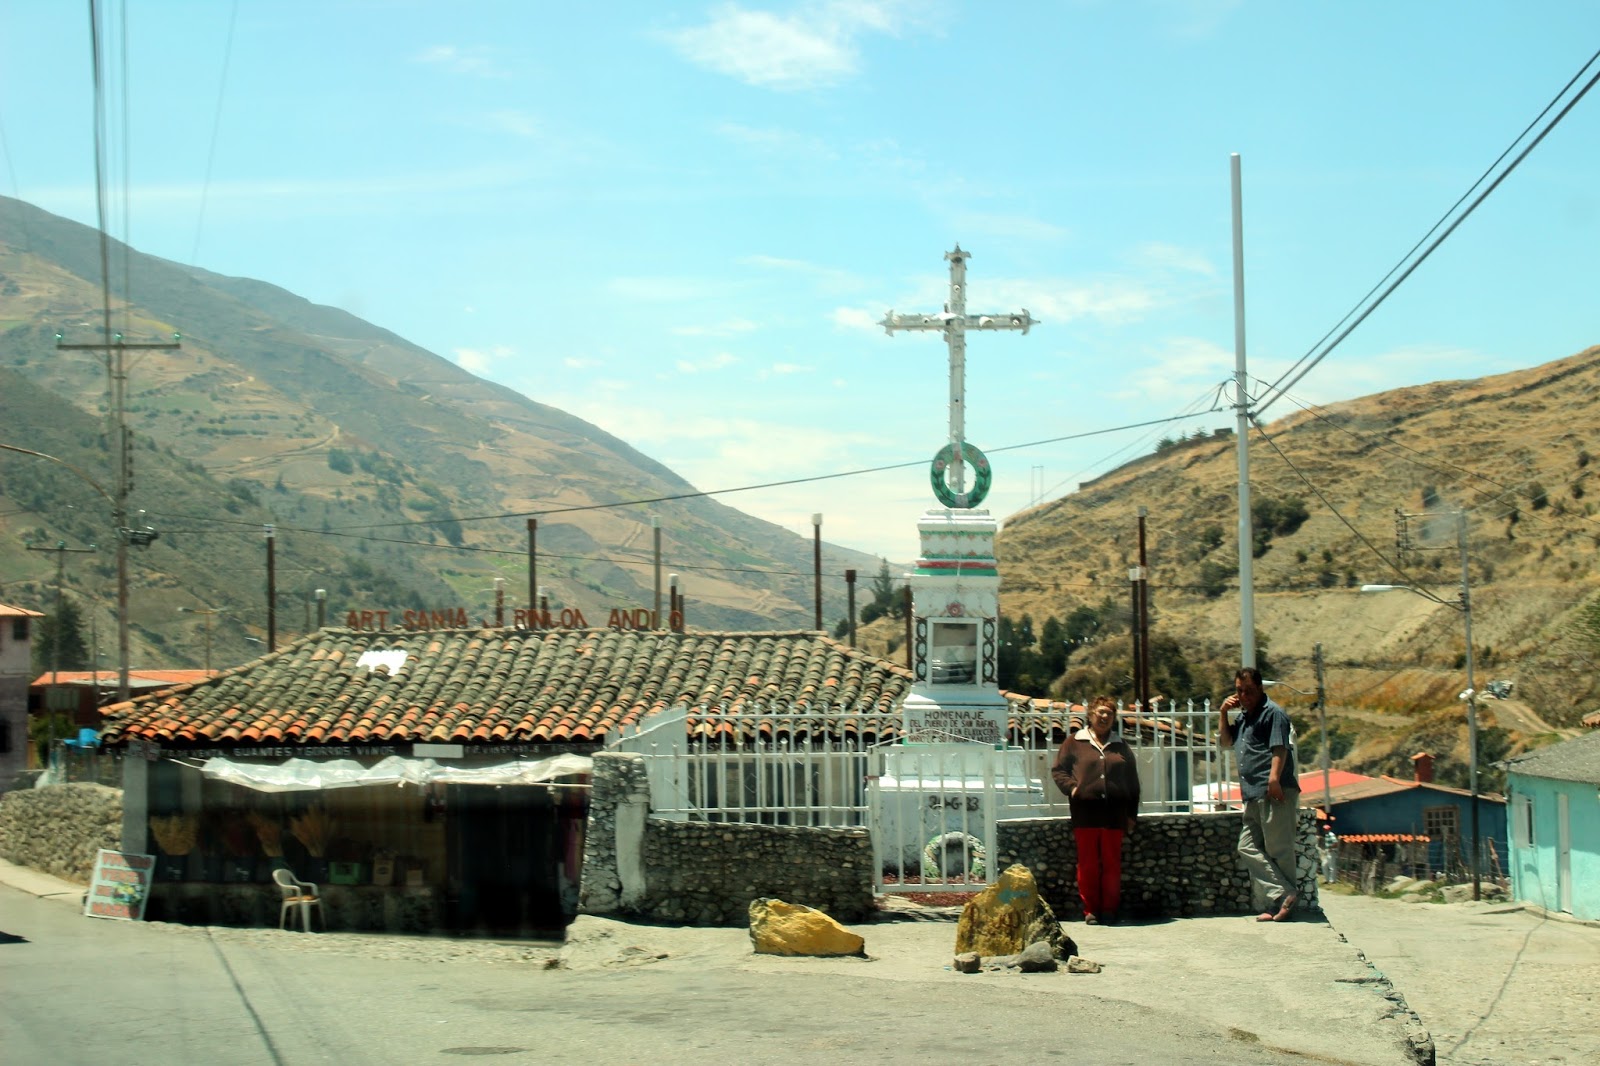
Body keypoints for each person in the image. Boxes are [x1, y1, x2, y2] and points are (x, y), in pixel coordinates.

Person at [1218, 666, 1302, 921]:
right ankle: (1283, 894)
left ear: (1260, 689)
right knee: (1247, 847)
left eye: (1249, 691)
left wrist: (1274, 779)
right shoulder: (1243, 717)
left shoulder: (1273, 713)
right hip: (1252, 793)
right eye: (1239, 691)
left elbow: (1280, 748)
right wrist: (1223, 712)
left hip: (1272, 790)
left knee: (1278, 849)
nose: (1244, 696)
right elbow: (1225, 742)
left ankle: (1284, 905)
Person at [1051, 695, 1141, 925]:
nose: (1104, 717)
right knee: (1088, 863)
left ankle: (1110, 909)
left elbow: (1132, 782)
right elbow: (1059, 771)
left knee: (1111, 863)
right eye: (1100, 712)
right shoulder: (1074, 742)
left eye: (1109, 714)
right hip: (1086, 813)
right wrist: (1073, 789)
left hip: (1115, 814)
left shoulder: (1121, 745)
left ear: (1114, 718)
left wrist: (1131, 814)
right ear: (1090, 715)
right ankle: (1090, 909)